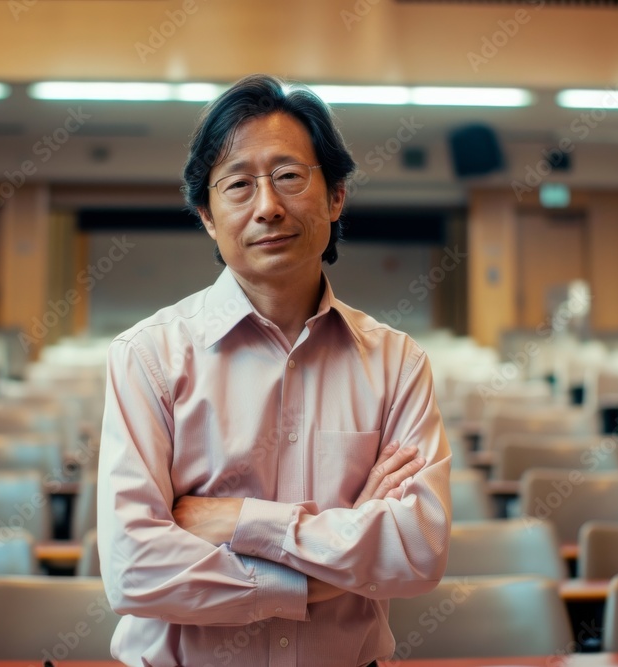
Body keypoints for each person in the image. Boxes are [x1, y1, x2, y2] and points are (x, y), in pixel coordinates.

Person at [97, 74, 452, 667]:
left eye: (289, 176)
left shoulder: (398, 364)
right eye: (238, 184)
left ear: (336, 196)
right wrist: (338, 553)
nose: (268, 206)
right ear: (207, 216)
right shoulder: (147, 357)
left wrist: (236, 520)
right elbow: (134, 571)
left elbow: (417, 552)